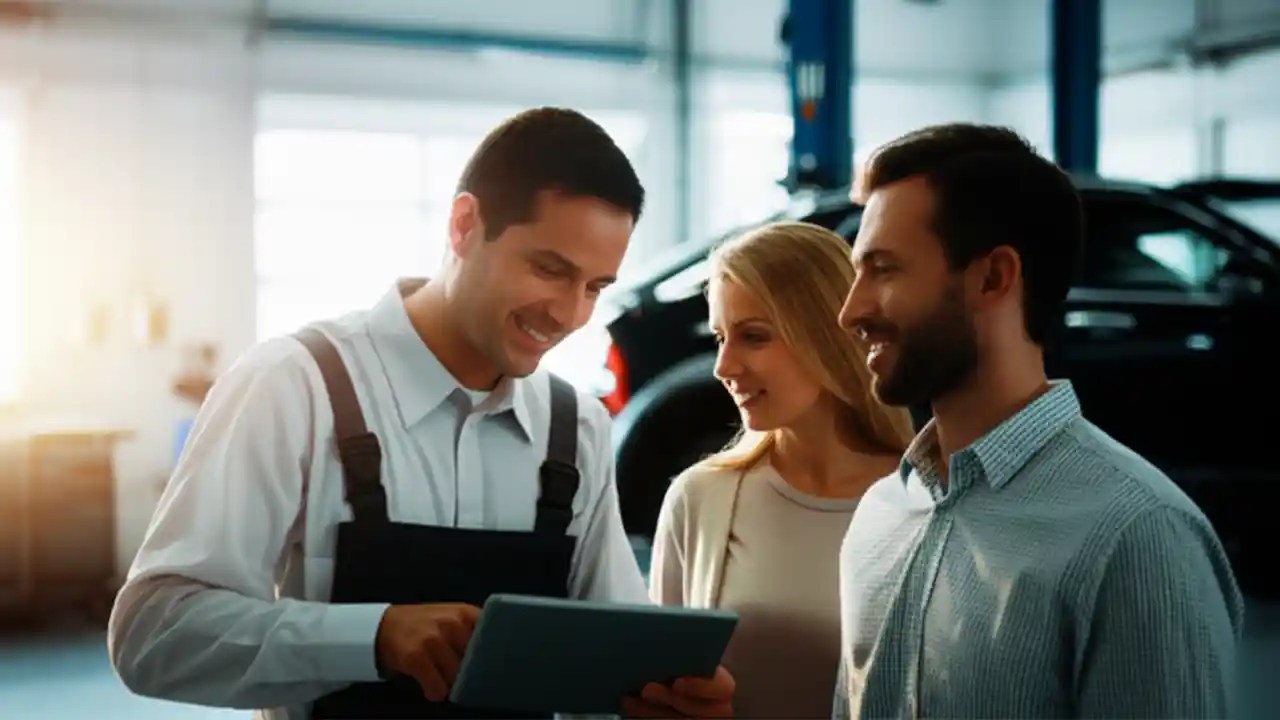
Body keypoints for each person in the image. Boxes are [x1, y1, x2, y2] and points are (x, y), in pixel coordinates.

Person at [108, 107, 734, 720]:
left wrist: (659, 694)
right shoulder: (294, 387)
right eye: (550, 269)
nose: (570, 313)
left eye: (594, 286)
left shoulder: (576, 429)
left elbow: (605, 665)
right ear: (464, 226)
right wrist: (372, 638)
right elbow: (151, 635)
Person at [832, 122, 1244, 718]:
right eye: (857, 272)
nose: (851, 311)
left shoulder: (1138, 539)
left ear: (994, 277)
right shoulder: (879, 516)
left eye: (885, 269)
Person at [648, 221, 915, 718]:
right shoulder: (700, 499)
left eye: (753, 336)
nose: (723, 366)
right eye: (720, 337)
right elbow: (658, 692)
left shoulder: (927, 502)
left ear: (827, 335)